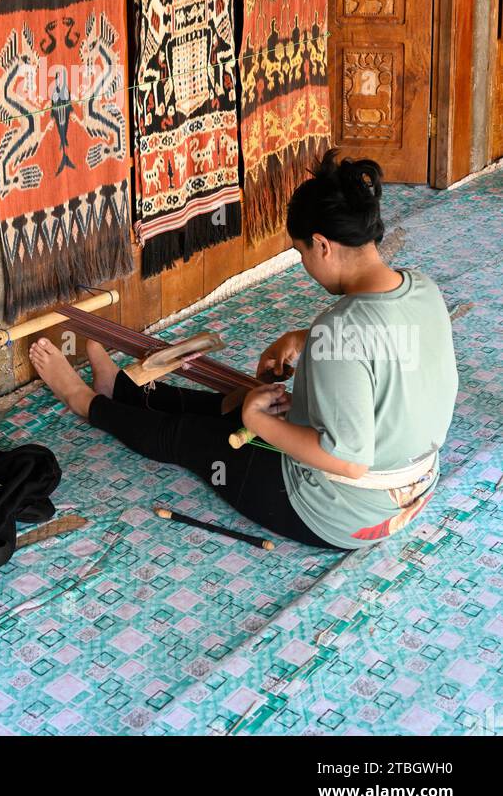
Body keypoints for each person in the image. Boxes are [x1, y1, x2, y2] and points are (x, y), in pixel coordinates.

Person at [30, 150, 458, 550]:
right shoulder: (420, 287)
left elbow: (347, 463)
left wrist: (258, 422)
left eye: (302, 252)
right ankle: (121, 392)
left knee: (195, 437)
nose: (305, 264)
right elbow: (387, 343)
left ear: (323, 244)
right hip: (411, 488)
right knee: (231, 403)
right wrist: (301, 340)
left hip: (341, 512)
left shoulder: (339, 328)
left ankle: (84, 401)